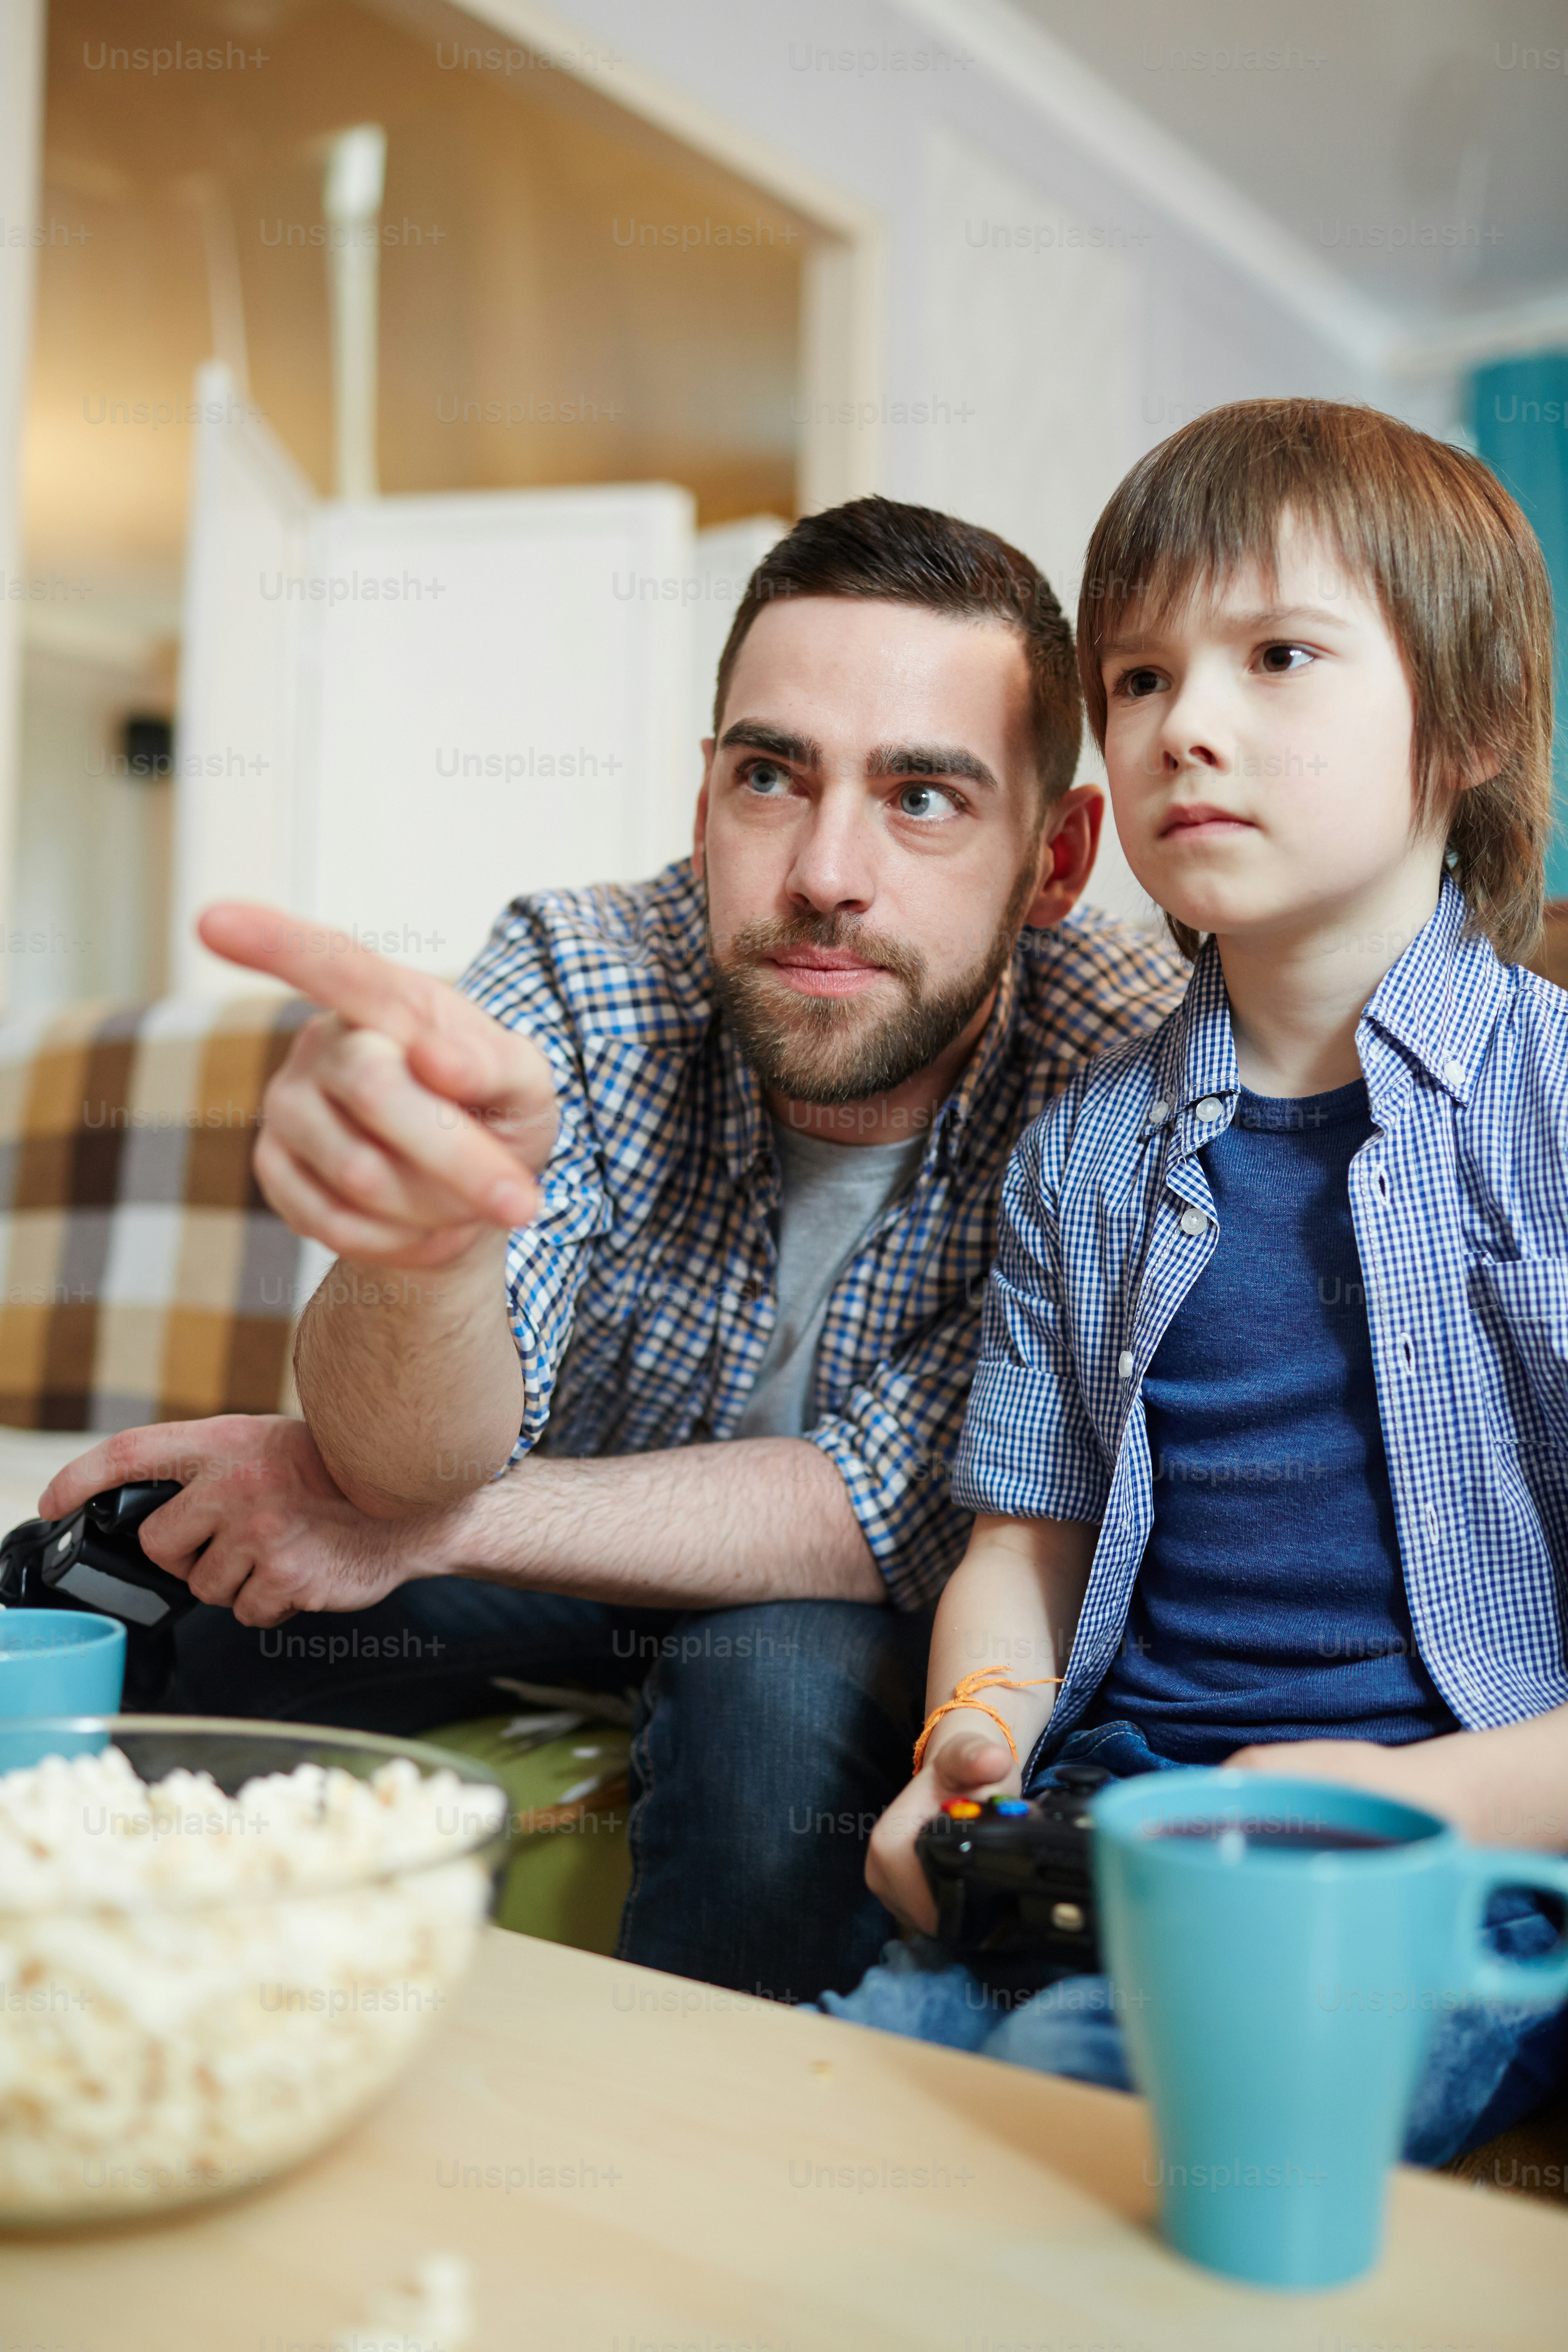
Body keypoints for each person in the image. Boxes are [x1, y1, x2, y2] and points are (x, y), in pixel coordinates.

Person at [40, 497, 1183, 2002]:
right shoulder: (582, 967)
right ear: (706, 799)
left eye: (923, 799)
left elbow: (895, 1508)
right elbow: (390, 1462)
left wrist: (426, 1525)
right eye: (773, 777)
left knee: (773, 1686)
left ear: (1056, 857)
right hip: (563, 1553)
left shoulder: (1125, 1065)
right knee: (217, 1588)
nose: (827, 870)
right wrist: (432, 1250)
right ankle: (131, 2019)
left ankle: (695, 2189)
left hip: (853, 1608)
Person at [835, 401, 1568, 2163]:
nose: (1187, 727)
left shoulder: (1550, 1111)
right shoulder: (1084, 1157)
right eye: (1143, 677)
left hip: (1452, 1859)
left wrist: (1401, 1798)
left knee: (1091, 2107)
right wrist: (973, 1741)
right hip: (1120, 1825)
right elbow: (1026, 1538)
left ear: (1464, 724)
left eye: (1277, 656)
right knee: (846, 2091)